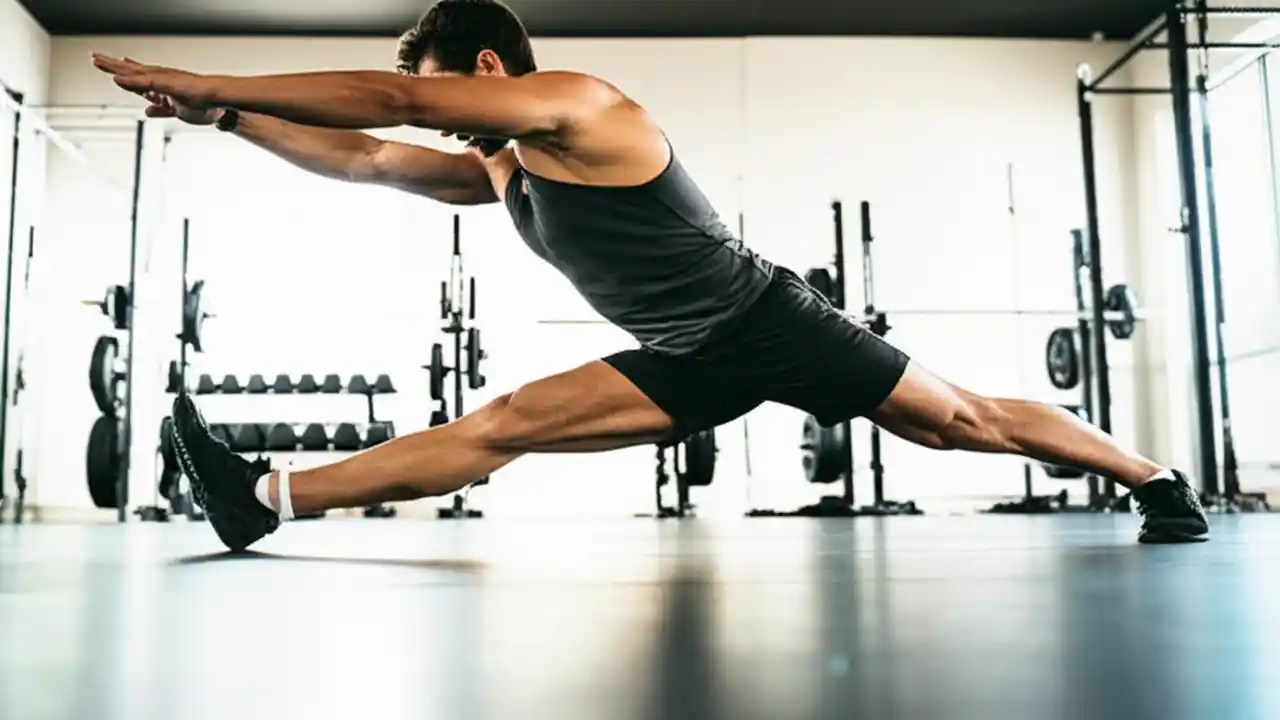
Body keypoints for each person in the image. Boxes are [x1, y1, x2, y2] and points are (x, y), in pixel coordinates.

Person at [93, 0, 1208, 551]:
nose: (445, 116)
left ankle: (1154, 478)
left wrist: (213, 74)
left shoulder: (583, 107)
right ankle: (260, 501)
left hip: (766, 319)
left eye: (450, 93)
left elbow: (394, 106)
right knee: (508, 422)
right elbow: (372, 157)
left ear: (488, 68)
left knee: (958, 423)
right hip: (685, 354)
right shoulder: (503, 166)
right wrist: (226, 117)